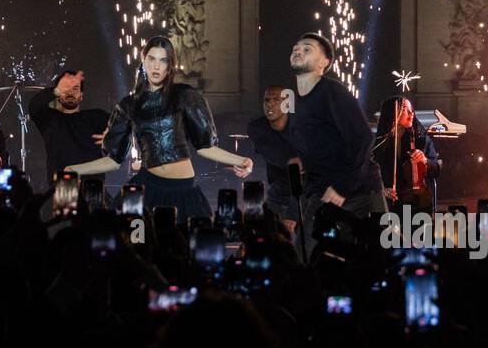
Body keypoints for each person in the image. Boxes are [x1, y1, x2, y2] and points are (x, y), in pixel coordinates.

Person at [67, 34, 251, 222]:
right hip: (148, 188)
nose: (156, 66)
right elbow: (114, 160)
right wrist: (75, 169)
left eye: (163, 60)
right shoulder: (129, 105)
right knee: (137, 244)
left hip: (184, 191)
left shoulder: (186, 95)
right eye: (152, 59)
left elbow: (205, 146)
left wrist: (241, 159)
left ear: (170, 65)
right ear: (143, 59)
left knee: (184, 248)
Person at [283, 32, 385, 252]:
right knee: (307, 256)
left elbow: (362, 138)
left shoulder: (332, 92)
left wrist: (341, 187)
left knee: (374, 260)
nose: (298, 50)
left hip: (357, 190)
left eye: (307, 48)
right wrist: (295, 210)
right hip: (322, 190)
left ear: (324, 63)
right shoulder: (295, 100)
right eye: (295, 47)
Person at [28, 70, 110, 187]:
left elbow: (123, 123)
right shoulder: (49, 119)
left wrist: (114, 132)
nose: (70, 92)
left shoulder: (96, 117)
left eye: (75, 88)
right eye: (66, 88)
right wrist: (56, 90)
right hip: (63, 186)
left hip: (92, 185)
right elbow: (34, 106)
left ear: (81, 95)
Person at [246, 85, 302, 238]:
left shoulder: (302, 127)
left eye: (276, 100)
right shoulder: (258, 127)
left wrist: (293, 214)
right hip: (278, 195)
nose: (270, 104)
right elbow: (278, 156)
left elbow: (305, 172)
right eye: (266, 100)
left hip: (305, 197)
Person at [372, 96, 440, 214]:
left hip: (417, 204)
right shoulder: (378, 143)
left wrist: (425, 160)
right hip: (388, 203)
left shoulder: (422, 139)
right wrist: (381, 190)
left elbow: (436, 170)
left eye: (411, 109)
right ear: (393, 113)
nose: (411, 113)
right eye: (405, 109)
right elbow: (369, 174)